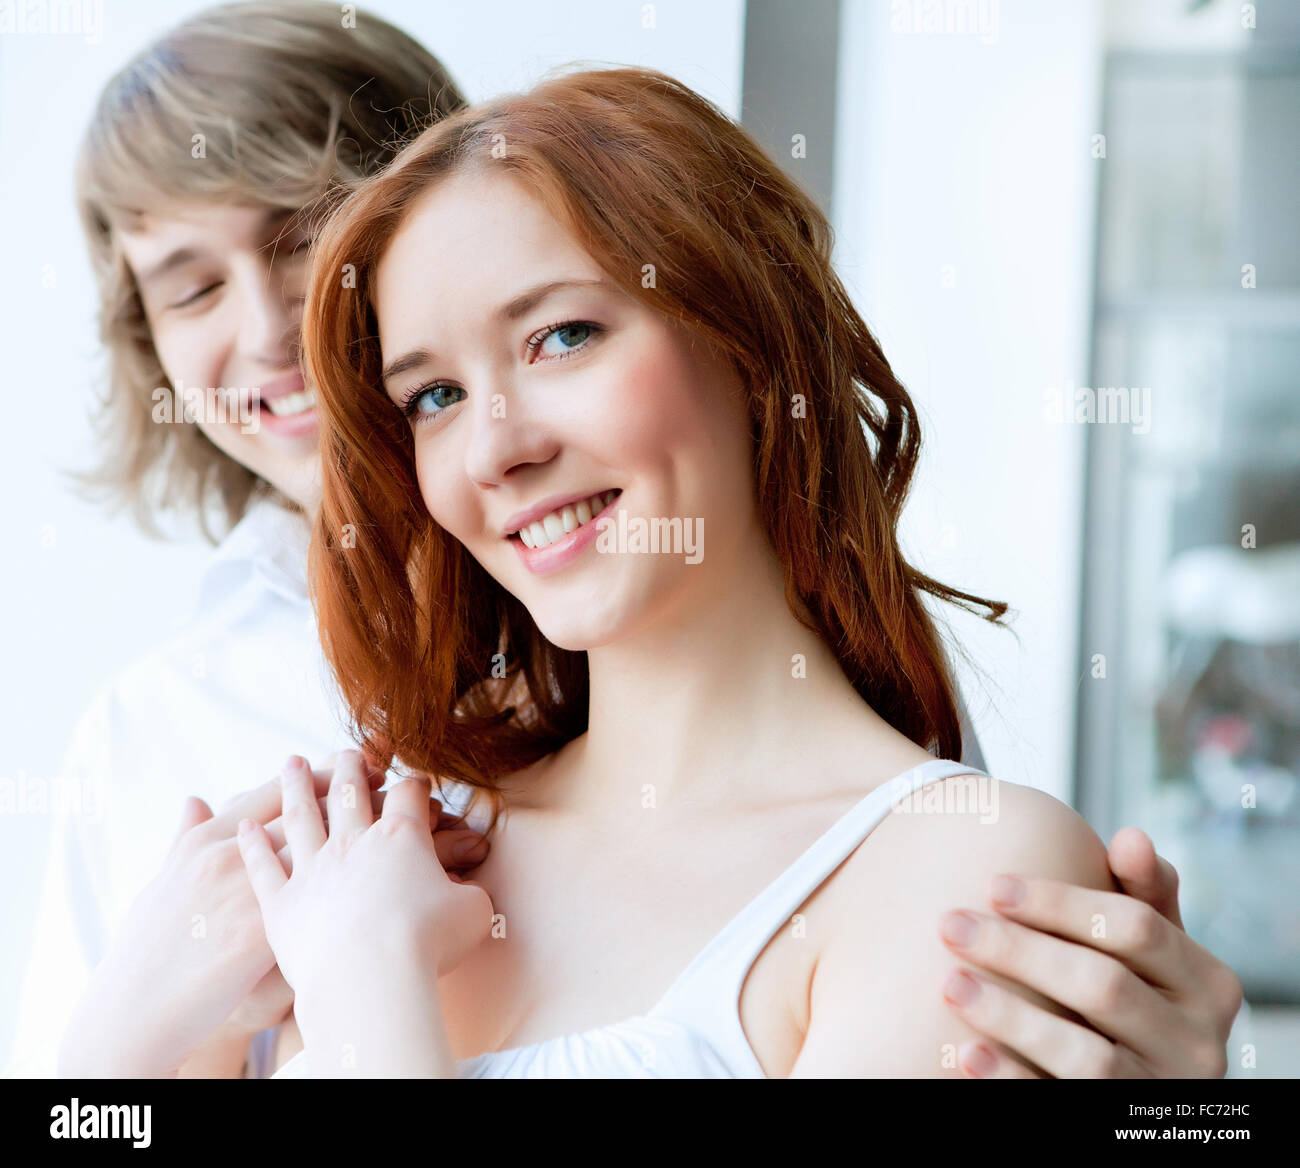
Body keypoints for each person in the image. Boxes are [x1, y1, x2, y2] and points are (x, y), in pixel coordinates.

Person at [244, 65, 1244, 1078]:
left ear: (753, 345)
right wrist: (139, 1035)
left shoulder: (964, 872)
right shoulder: (391, 854)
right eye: (435, 396)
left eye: (561, 336)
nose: (493, 451)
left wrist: (367, 996)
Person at [7, 0, 482, 1080]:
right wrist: (141, 1020)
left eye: (303, 236)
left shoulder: (629, 618)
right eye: (195, 287)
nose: (270, 329)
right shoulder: (147, 727)